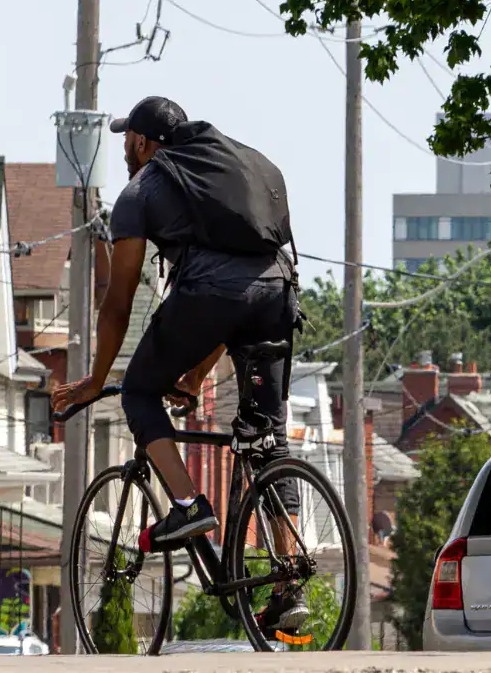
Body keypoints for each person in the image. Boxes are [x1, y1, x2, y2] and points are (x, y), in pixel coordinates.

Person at [50, 96, 308, 631]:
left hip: (213, 298)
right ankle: (290, 584)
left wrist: (97, 381)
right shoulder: (227, 170)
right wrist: (194, 374)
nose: (124, 149)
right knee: (268, 440)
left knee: (140, 392)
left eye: (127, 140)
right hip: (278, 293)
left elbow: (118, 300)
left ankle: (189, 503)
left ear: (143, 142)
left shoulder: (140, 192)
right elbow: (241, 297)